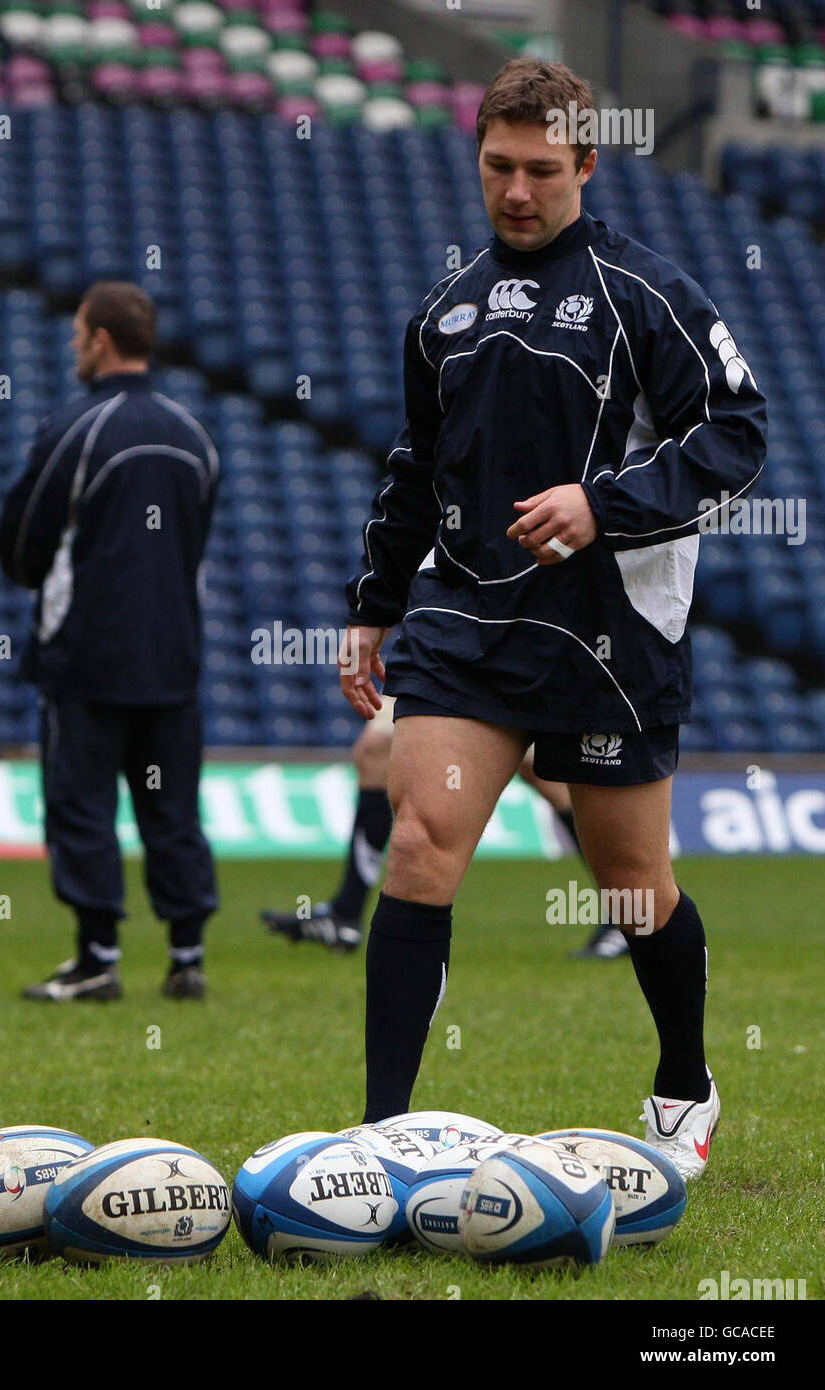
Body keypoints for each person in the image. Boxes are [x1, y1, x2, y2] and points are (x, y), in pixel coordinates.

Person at [339, 59, 767, 1180]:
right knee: (421, 845)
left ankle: (682, 1077)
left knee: (630, 886)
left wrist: (601, 505)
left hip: (609, 634)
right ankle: (380, 1137)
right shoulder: (445, 309)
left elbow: (735, 435)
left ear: (584, 163)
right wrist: (373, 607)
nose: (516, 190)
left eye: (539, 169)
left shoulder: (644, 293)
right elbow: (415, 461)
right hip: (464, 621)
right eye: (497, 166)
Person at [0, 281, 219, 1001]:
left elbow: (24, 542)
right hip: (174, 658)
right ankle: (187, 957)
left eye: (77, 333)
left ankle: (97, 959)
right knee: (174, 809)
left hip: (87, 656)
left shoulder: (77, 428)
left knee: (81, 805)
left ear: (100, 340)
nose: (72, 346)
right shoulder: (194, 433)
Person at [260, 692, 628, 958]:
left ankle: (623, 914)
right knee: (375, 750)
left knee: (544, 774)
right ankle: (345, 912)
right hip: (451, 647)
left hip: (505, 645)